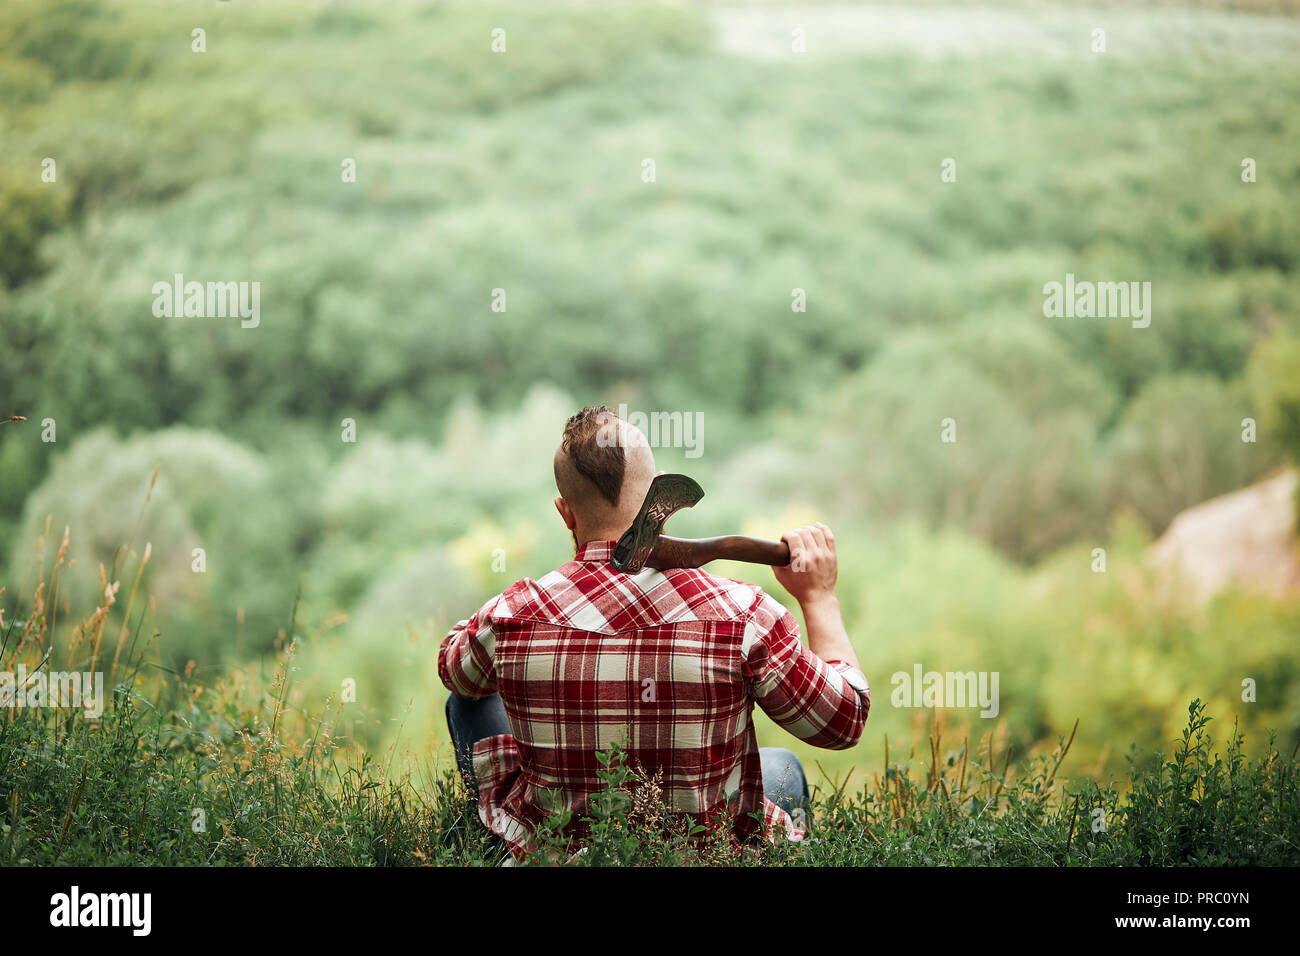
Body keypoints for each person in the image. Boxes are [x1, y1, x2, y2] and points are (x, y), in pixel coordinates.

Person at [439, 405, 869, 859]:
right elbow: (845, 721)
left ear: (565, 513)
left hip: (561, 852)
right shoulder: (744, 613)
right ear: (659, 493)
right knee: (786, 768)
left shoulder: (510, 615)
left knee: (468, 698)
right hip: (705, 854)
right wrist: (819, 598)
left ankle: (497, 841)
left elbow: (454, 669)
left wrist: (497, 618)